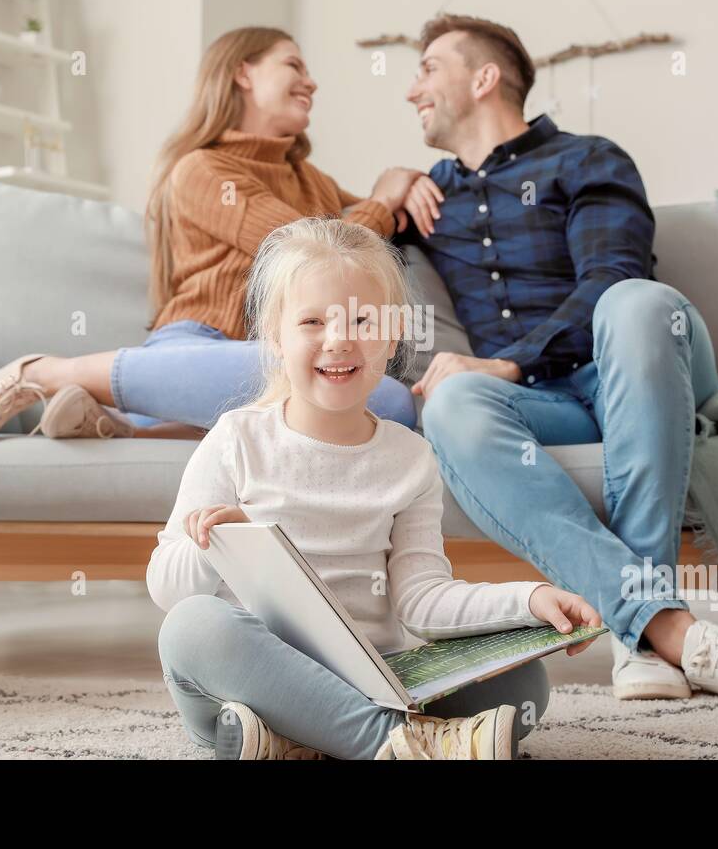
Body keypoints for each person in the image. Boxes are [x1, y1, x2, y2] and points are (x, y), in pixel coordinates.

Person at [396, 14, 718, 709]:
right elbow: (328, 249)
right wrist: (385, 190)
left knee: (638, 302)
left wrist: (511, 365)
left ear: (484, 77)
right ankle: (664, 633)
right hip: (548, 407)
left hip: (638, 368)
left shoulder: (588, 159)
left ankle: (644, 634)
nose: (411, 89)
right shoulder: (430, 196)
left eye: (428, 68)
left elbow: (610, 276)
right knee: (451, 403)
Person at [150, 217, 602, 760]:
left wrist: (528, 598)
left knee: (524, 688)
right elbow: (166, 588)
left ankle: (302, 742)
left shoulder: (409, 458)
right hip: (253, 678)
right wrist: (211, 549)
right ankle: (394, 745)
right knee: (193, 626)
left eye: (362, 320)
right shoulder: (237, 440)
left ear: (391, 337)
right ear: (275, 336)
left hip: (371, 676)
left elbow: (423, 600)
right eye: (313, 321)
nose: (339, 340)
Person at [0, 27, 424, 450]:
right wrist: (383, 198)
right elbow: (298, 249)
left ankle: (126, 431)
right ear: (242, 73)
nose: (311, 81)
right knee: (321, 376)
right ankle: (43, 373)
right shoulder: (202, 169)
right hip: (195, 351)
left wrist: (414, 187)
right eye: (293, 65)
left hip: (267, 360)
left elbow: (360, 246)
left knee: (392, 403)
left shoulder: (311, 180)